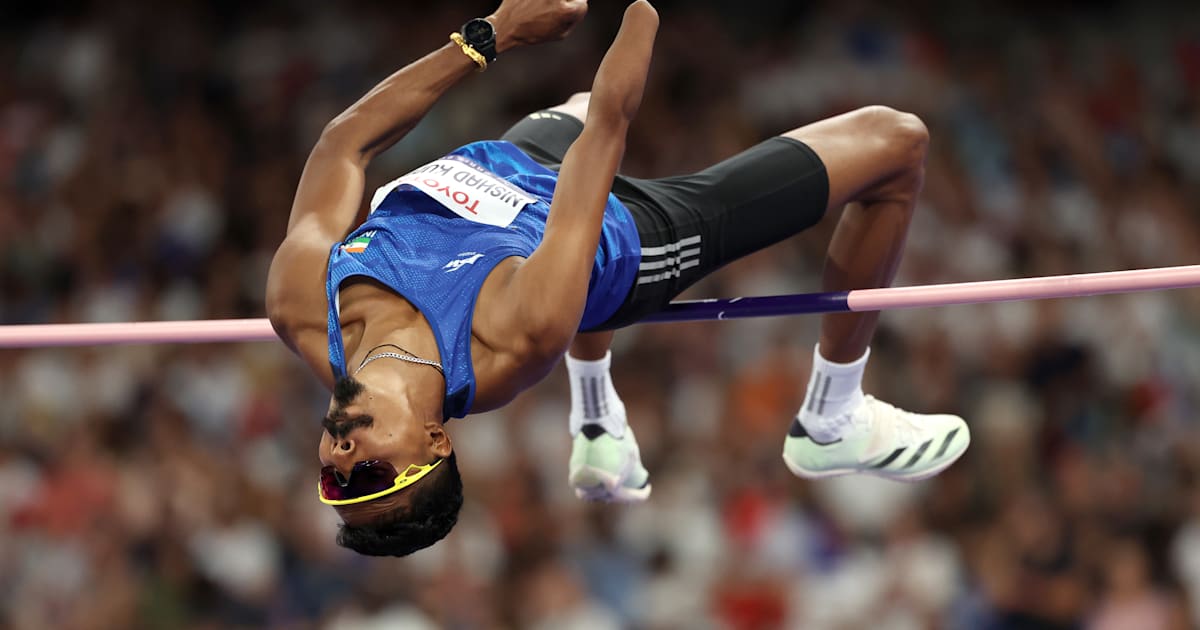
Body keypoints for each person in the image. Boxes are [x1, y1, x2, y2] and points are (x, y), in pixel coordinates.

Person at [265, 0, 970, 558]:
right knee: (895, 142)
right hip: (623, 228)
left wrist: (493, 34)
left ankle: (598, 423)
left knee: (570, 103)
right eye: (375, 478)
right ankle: (833, 416)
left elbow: (343, 143)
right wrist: (642, 8)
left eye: (336, 480)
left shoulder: (301, 305)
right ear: (434, 442)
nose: (346, 457)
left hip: (511, 170)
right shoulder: (509, 336)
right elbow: (606, 133)